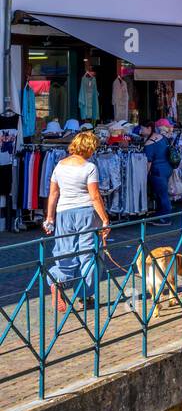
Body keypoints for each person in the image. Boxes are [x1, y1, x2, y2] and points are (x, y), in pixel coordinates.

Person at [43, 129, 110, 315]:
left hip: (63, 213)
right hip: (86, 213)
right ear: (89, 148)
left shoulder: (59, 165)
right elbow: (95, 196)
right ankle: (85, 296)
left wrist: (50, 218)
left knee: (65, 253)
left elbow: (54, 194)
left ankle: (57, 279)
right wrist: (105, 219)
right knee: (88, 255)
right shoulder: (89, 167)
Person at [145, 118, 175, 225]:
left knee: (162, 194)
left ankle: (166, 218)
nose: (141, 131)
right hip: (167, 168)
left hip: (157, 171)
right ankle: (161, 214)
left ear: (149, 128)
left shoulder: (149, 143)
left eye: (143, 129)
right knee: (162, 193)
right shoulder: (163, 137)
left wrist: (145, 175)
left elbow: (149, 161)